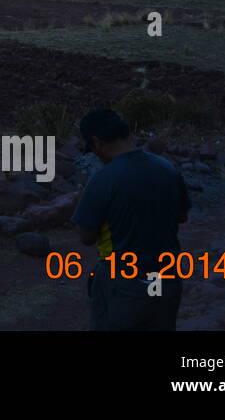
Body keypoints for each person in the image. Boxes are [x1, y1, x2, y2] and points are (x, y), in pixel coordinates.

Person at [71, 108, 191, 330]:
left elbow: (86, 235)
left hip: (123, 284)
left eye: (93, 149)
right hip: (167, 279)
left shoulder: (104, 178)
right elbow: (182, 216)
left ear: (97, 142)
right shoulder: (168, 169)